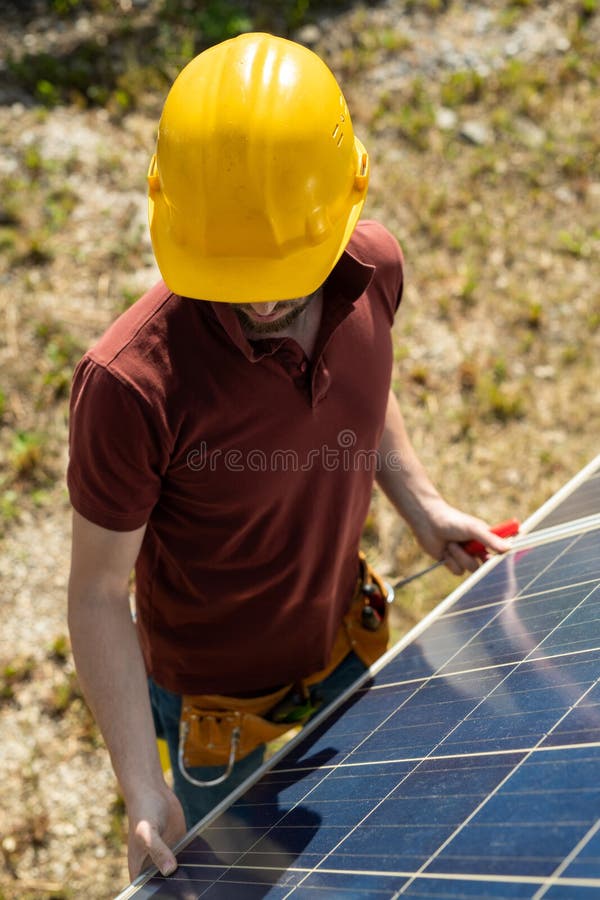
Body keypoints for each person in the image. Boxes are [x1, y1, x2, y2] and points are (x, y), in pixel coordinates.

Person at [66, 32, 509, 882]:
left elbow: (361, 388)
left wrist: (420, 503)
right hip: (216, 713)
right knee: (251, 877)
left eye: (286, 268)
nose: (265, 296)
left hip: (342, 642)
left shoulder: (373, 268)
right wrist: (141, 784)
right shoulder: (130, 386)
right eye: (236, 271)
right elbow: (94, 595)